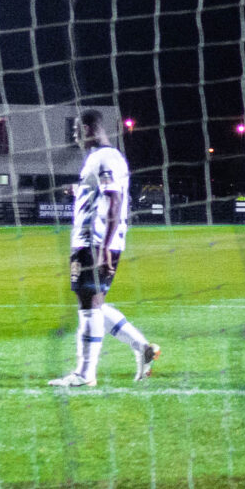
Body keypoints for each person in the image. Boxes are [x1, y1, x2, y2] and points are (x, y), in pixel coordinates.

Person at [48, 110, 161, 387]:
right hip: (94, 241)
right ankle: (142, 346)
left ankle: (85, 374)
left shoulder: (105, 157)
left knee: (88, 305)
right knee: (93, 302)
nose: (74, 136)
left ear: (88, 128)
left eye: (76, 130)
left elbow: (113, 199)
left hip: (94, 242)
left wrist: (104, 246)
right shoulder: (103, 159)